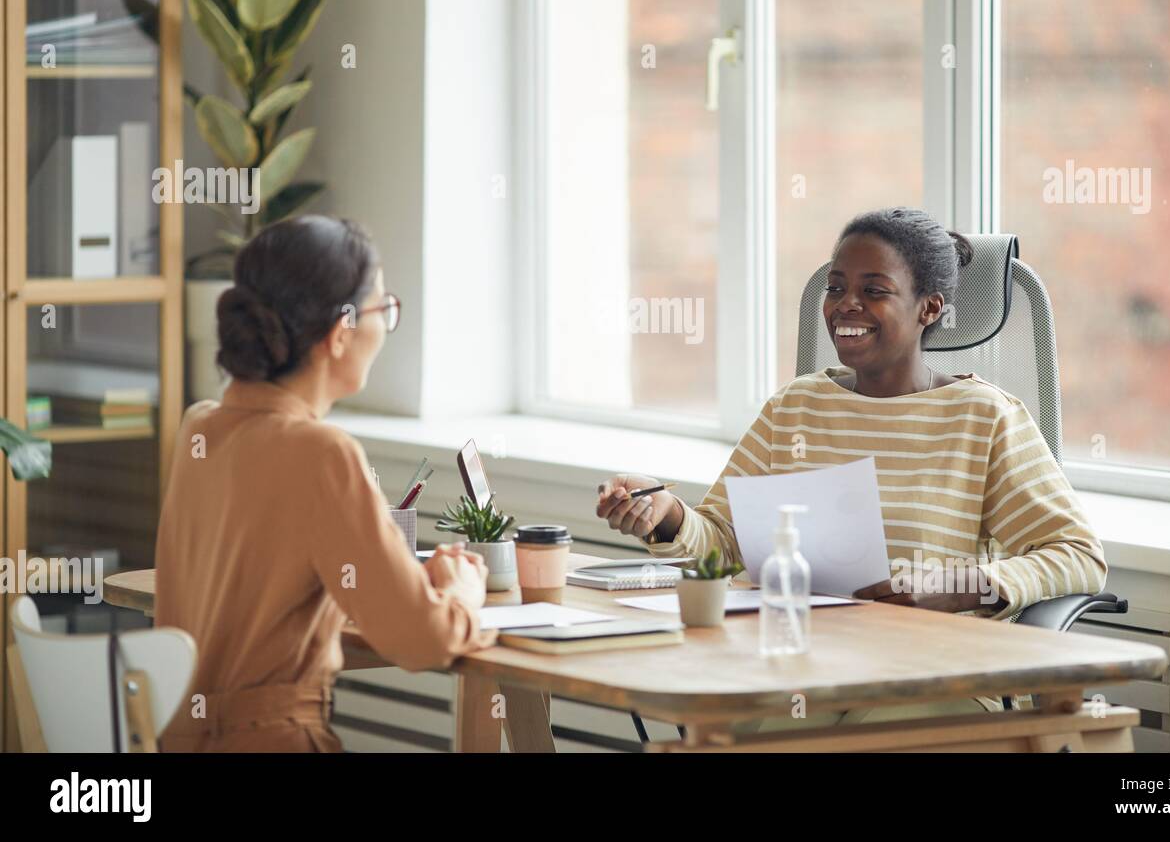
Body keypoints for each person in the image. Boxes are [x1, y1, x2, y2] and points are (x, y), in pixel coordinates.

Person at [595, 207, 1107, 727]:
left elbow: (1079, 555)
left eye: (874, 291)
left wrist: (963, 585)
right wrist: (668, 516)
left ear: (929, 308)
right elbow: (726, 544)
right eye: (836, 288)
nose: (846, 306)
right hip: (793, 668)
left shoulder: (984, 417)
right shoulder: (795, 407)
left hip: (924, 677)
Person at [155, 216, 495, 751]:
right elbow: (421, 643)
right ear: (341, 333)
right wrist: (461, 592)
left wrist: (403, 580)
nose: (387, 323)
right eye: (385, 308)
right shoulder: (321, 454)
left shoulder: (199, 427)